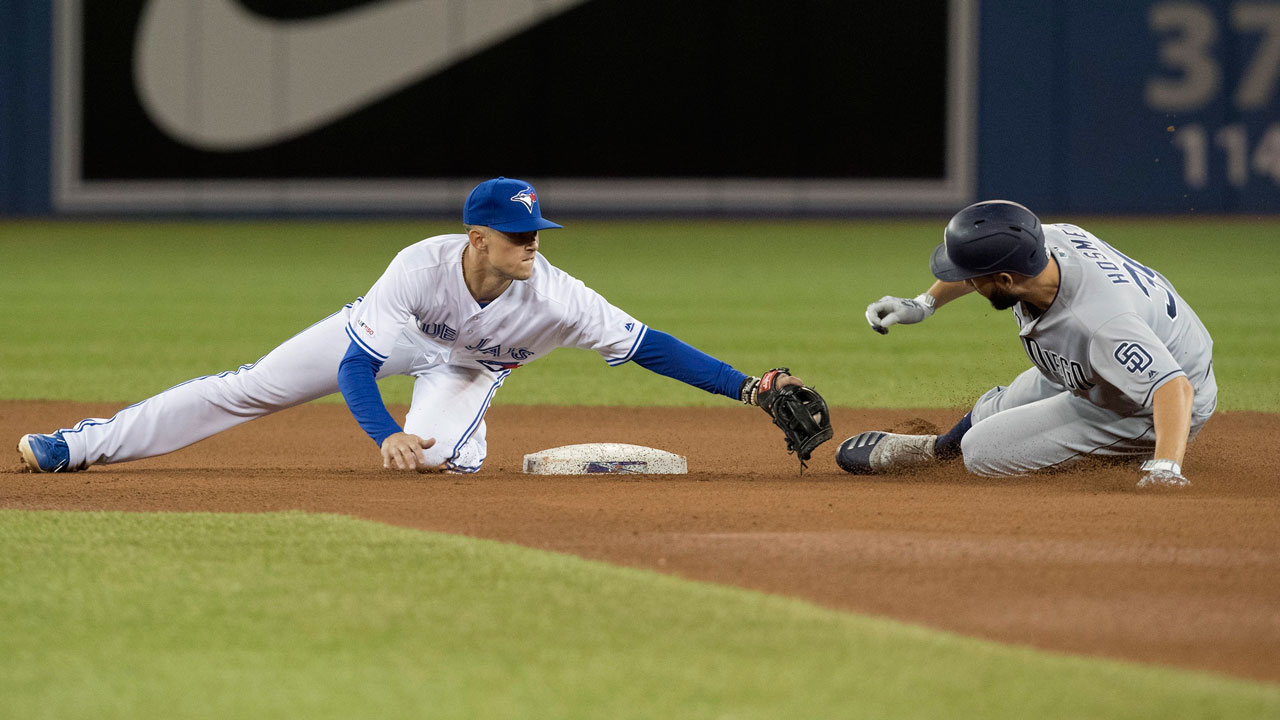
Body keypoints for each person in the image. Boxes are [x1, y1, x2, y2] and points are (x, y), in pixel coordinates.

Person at [18, 177, 803, 474]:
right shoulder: (417, 265)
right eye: (518, 237)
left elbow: (649, 347)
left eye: (537, 235)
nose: (532, 247)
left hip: (470, 366)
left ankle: (460, 442)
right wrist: (378, 432)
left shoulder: (558, 298)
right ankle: (80, 445)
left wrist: (747, 386)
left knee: (432, 464)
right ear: (477, 238)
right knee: (250, 387)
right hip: (389, 335)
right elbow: (354, 368)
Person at [837, 200, 1216, 488]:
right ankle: (937, 450)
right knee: (993, 411)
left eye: (972, 281)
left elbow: (1173, 387)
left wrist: (1166, 467)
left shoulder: (1099, 322)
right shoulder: (1044, 242)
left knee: (984, 452)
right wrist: (923, 304)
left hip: (1148, 404)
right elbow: (980, 259)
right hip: (1101, 364)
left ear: (1005, 279)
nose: (967, 283)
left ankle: (1124, 451)